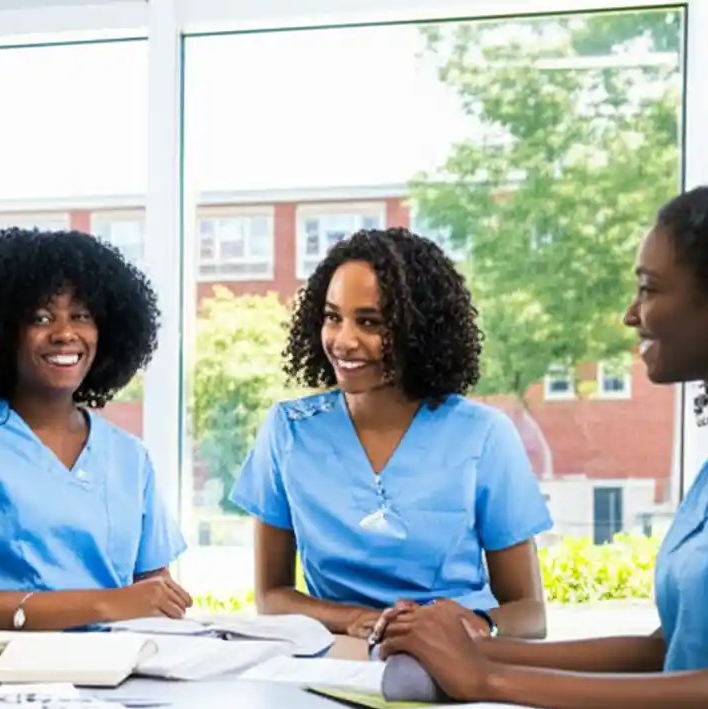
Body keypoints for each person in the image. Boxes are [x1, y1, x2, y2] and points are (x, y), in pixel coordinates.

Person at [370, 171, 708, 709]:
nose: (632, 314)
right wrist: (477, 648)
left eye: (649, 290)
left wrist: (486, 678)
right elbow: (666, 651)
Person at [230, 227, 553, 640]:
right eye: (333, 318)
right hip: (339, 658)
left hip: (456, 657)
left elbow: (529, 614)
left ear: (418, 331)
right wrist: (352, 619)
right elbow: (272, 596)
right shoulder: (289, 431)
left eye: (370, 322)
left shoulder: (485, 436)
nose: (344, 341)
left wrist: (475, 625)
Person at [0, 227, 190, 640]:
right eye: (41, 317)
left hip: (118, 680)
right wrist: (105, 603)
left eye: (82, 315)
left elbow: (156, 600)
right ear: (2, 332)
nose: (65, 333)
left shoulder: (129, 457)